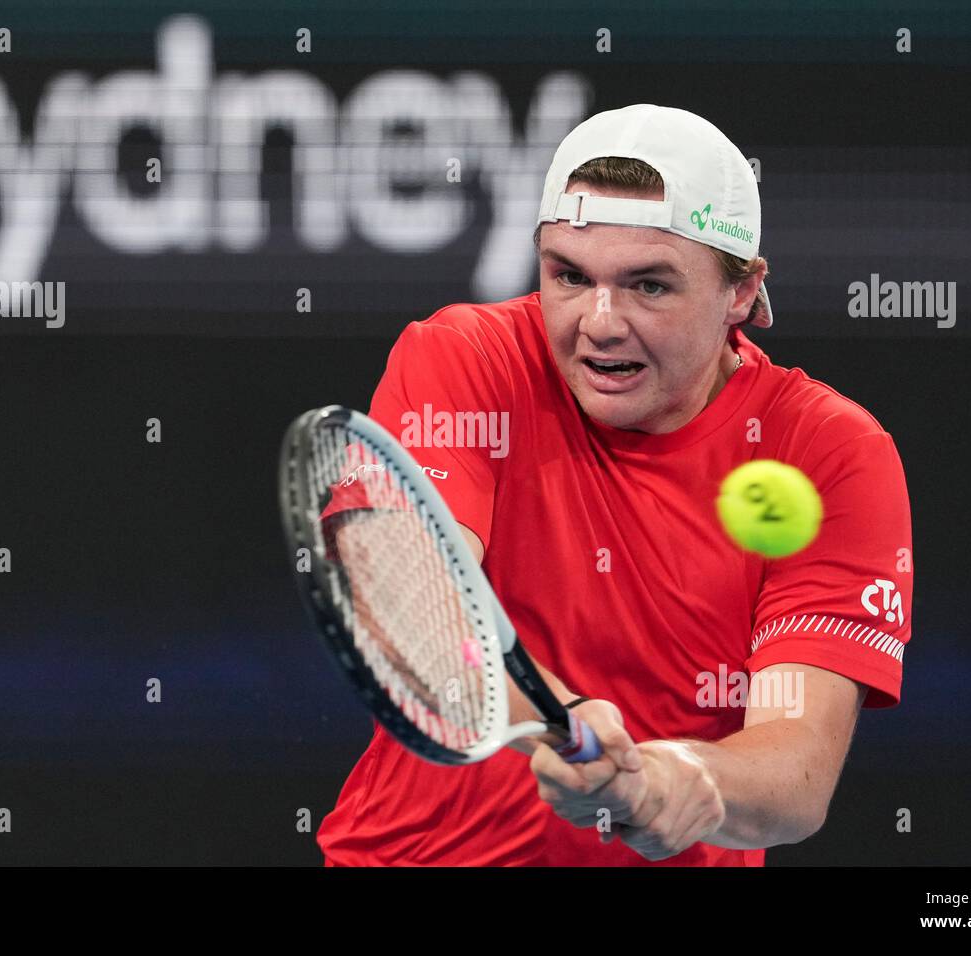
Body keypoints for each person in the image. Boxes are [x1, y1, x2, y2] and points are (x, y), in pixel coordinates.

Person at [317, 104, 913, 865]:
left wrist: (680, 778)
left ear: (740, 292)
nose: (598, 322)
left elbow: (794, 773)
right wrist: (566, 718)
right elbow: (410, 603)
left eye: (649, 287)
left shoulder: (830, 450)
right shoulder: (464, 359)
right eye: (569, 276)